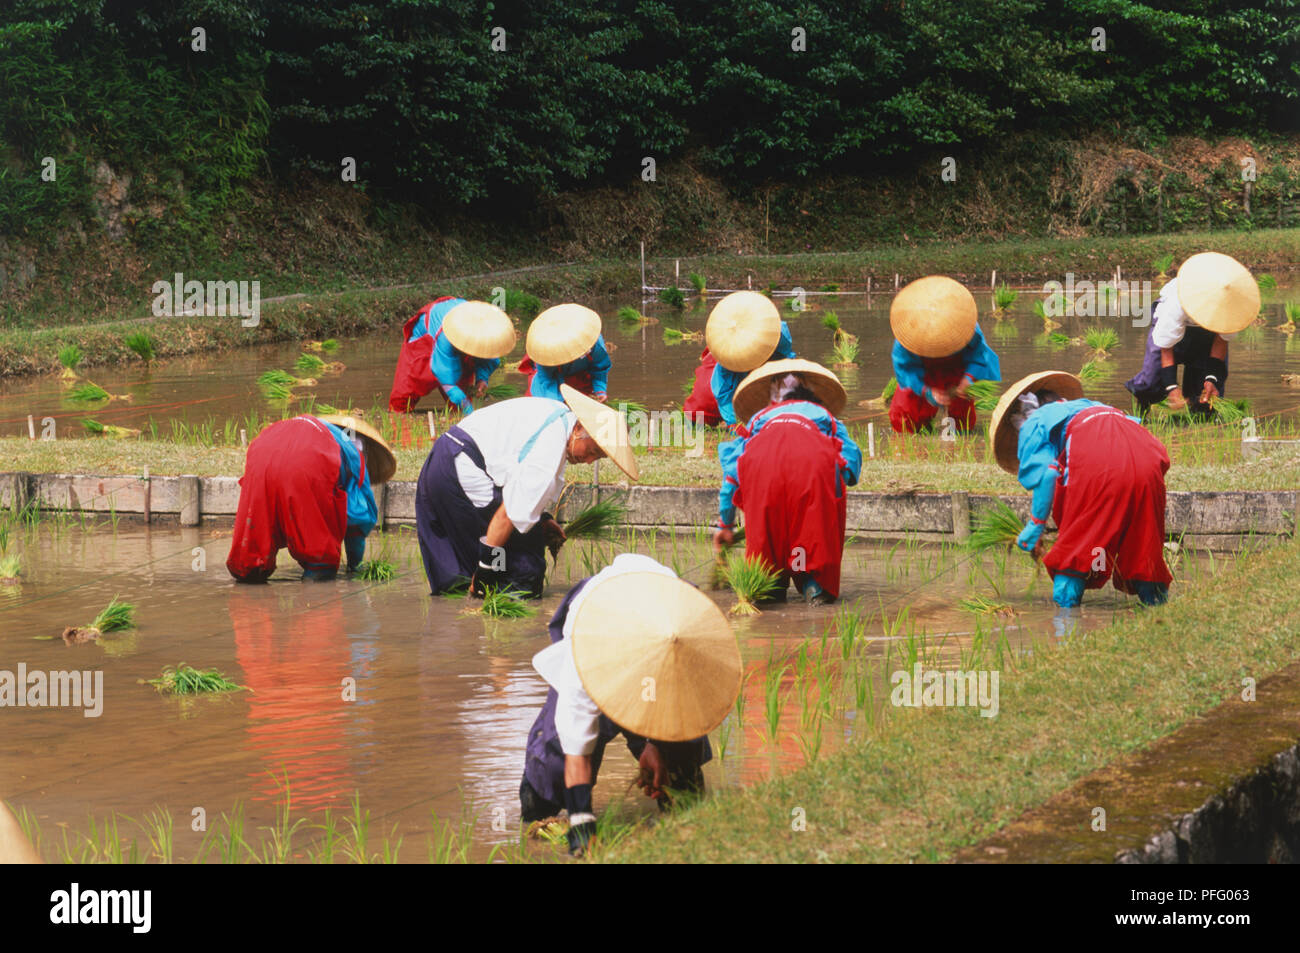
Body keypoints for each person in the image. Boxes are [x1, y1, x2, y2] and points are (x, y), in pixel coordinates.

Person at [520, 553, 741, 856]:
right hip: (603, 624)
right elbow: (577, 754)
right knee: (555, 761)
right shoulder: (586, 652)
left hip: (671, 623)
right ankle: (536, 812)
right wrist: (582, 823)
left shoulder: (689, 639)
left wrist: (656, 743)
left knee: (681, 768)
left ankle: (684, 827)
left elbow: (674, 703)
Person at [415, 384, 638, 599]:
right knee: (522, 572)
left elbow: (516, 475)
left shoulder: (559, 418)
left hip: (444, 460)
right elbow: (504, 516)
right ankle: (487, 608)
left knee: (464, 577)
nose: (589, 461)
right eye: (592, 451)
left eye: (598, 457)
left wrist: (542, 519)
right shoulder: (549, 451)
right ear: (579, 428)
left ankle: (466, 612)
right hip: (460, 474)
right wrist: (487, 570)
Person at [989, 371, 1172, 609]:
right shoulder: (1093, 407)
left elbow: (1048, 474)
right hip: (1147, 457)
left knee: (1081, 539)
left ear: (1023, 415)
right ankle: (1159, 609)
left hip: (1096, 458)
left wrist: (1035, 525)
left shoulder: (1034, 420)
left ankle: (1067, 622)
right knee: (1143, 540)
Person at [712, 359, 863, 605]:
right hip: (812, 469)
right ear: (808, 391)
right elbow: (850, 456)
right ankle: (812, 584)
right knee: (807, 536)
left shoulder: (760, 418)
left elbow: (733, 473)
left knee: (767, 544)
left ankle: (770, 584)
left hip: (763, 469)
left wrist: (724, 525)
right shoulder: (824, 415)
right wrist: (832, 481)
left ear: (773, 395)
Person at [227, 414, 396, 582]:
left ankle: (249, 572)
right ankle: (315, 584)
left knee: (251, 555)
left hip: (261, 450)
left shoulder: (306, 428)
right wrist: (355, 565)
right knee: (321, 565)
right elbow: (359, 519)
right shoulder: (354, 455)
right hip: (309, 459)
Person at [1125, 252, 1259, 418]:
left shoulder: (1232, 307)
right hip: (1173, 325)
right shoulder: (1176, 304)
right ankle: (1142, 412)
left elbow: (1220, 342)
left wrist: (1211, 379)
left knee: (1204, 393)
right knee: (1153, 377)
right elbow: (1166, 348)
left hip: (1205, 336)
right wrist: (1171, 386)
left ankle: (1198, 417)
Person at [888, 275, 1000, 433]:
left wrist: (968, 379)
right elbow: (905, 371)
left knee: (962, 423)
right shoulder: (908, 333)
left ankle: (960, 439)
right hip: (922, 376)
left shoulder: (966, 325)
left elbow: (979, 356)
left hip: (956, 372)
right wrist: (926, 392)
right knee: (907, 421)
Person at [684, 291, 797, 429]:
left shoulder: (775, 332)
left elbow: (787, 360)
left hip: (769, 362)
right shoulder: (729, 355)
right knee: (702, 405)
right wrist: (731, 423)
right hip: (731, 362)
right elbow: (723, 391)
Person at [388, 298, 516, 413]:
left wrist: (482, 380)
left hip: (461, 337)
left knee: (459, 408)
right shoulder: (447, 335)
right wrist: (451, 389)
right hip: (425, 339)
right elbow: (442, 370)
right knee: (402, 400)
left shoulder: (488, 334)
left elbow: (488, 358)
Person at [520, 303, 611, 402]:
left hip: (579, 374)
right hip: (552, 375)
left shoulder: (593, 342)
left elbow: (599, 369)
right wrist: (556, 404)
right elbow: (546, 380)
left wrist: (600, 390)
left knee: (583, 403)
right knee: (540, 403)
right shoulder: (545, 351)